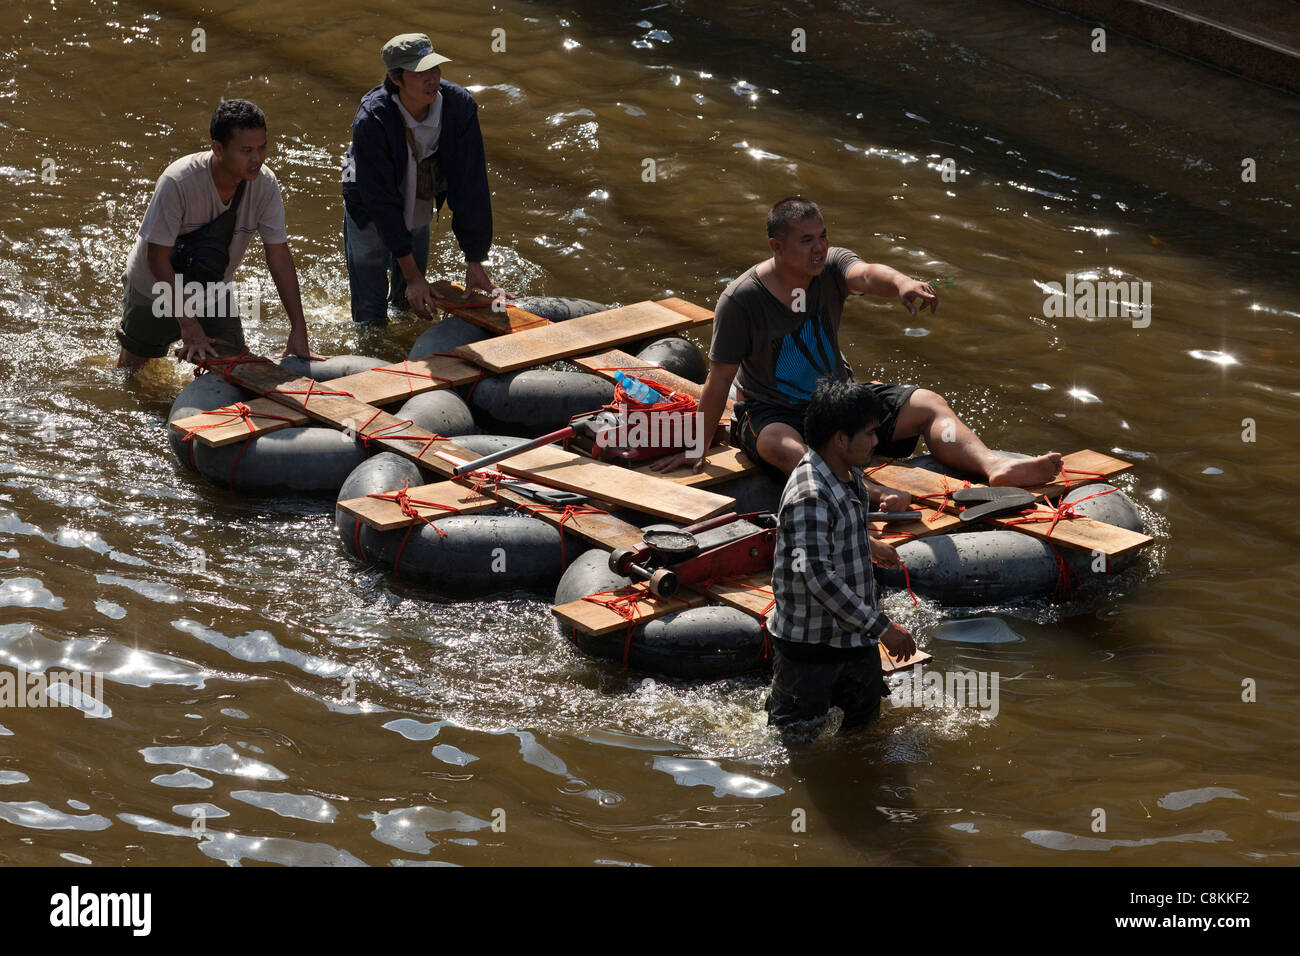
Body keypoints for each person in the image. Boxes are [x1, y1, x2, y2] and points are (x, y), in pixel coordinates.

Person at [653, 197, 1062, 508]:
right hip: (773, 412)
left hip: (837, 401)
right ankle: (871, 491)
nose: (819, 248)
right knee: (781, 444)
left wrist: (902, 282)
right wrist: (695, 445)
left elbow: (865, 274)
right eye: (807, 240)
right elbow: (719, 378)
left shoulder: (829, 268)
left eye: (823, 236)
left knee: (928, 404)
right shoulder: (741, 301)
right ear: (776, 246)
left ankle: (994, 467)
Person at [116, 99, 322, 371]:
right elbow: (157, 259)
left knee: (233, 363)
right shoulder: (178, 181)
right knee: (132, 372)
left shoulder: (265, 184)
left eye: (262, 148)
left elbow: (279, 256)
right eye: (246, 150)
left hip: (212, 287)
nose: (257, 159)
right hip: (154, 288)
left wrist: (298, 328)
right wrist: (189, 325)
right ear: (218, 149)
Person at [767, 379, 918, 740]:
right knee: (796, 741)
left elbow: (832, 531)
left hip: (853, 637)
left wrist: (869, 546)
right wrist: (883, 627)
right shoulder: (810, 495)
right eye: (868, 433)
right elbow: (815, 575)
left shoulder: (847, 474)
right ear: (840, 438)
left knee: (864, 731)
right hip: (810, 647)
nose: (876, 441)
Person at [342, 33, 498, 325]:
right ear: (396, 79)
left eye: (435, 69)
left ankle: (404, 306)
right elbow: (382, 202)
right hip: (369, 203)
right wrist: (414, 275)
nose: (432, 79)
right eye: (420, 73)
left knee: (408, 304)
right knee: (370, 312)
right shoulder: (372, 120)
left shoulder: (459, 107)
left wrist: (474, 257)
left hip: (420, 195)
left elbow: (471, 185)